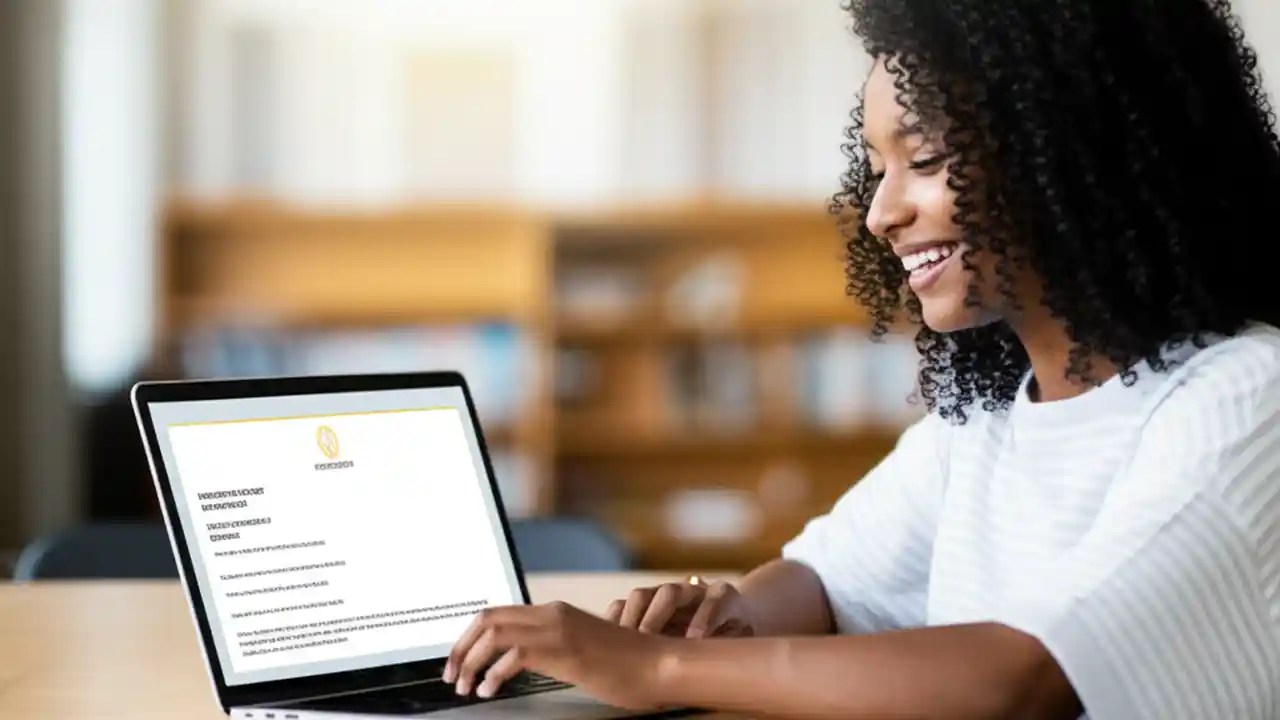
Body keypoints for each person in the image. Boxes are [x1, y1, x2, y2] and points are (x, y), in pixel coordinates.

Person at [445, 0, 1280, 716]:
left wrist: (658, 667)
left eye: (923, 159)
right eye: (877, 165)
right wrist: (717, 618)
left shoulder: (1247, 398)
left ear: (1076, 151)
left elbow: (1024, 680)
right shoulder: (987, 420)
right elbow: (823, 580)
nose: (880, 213)